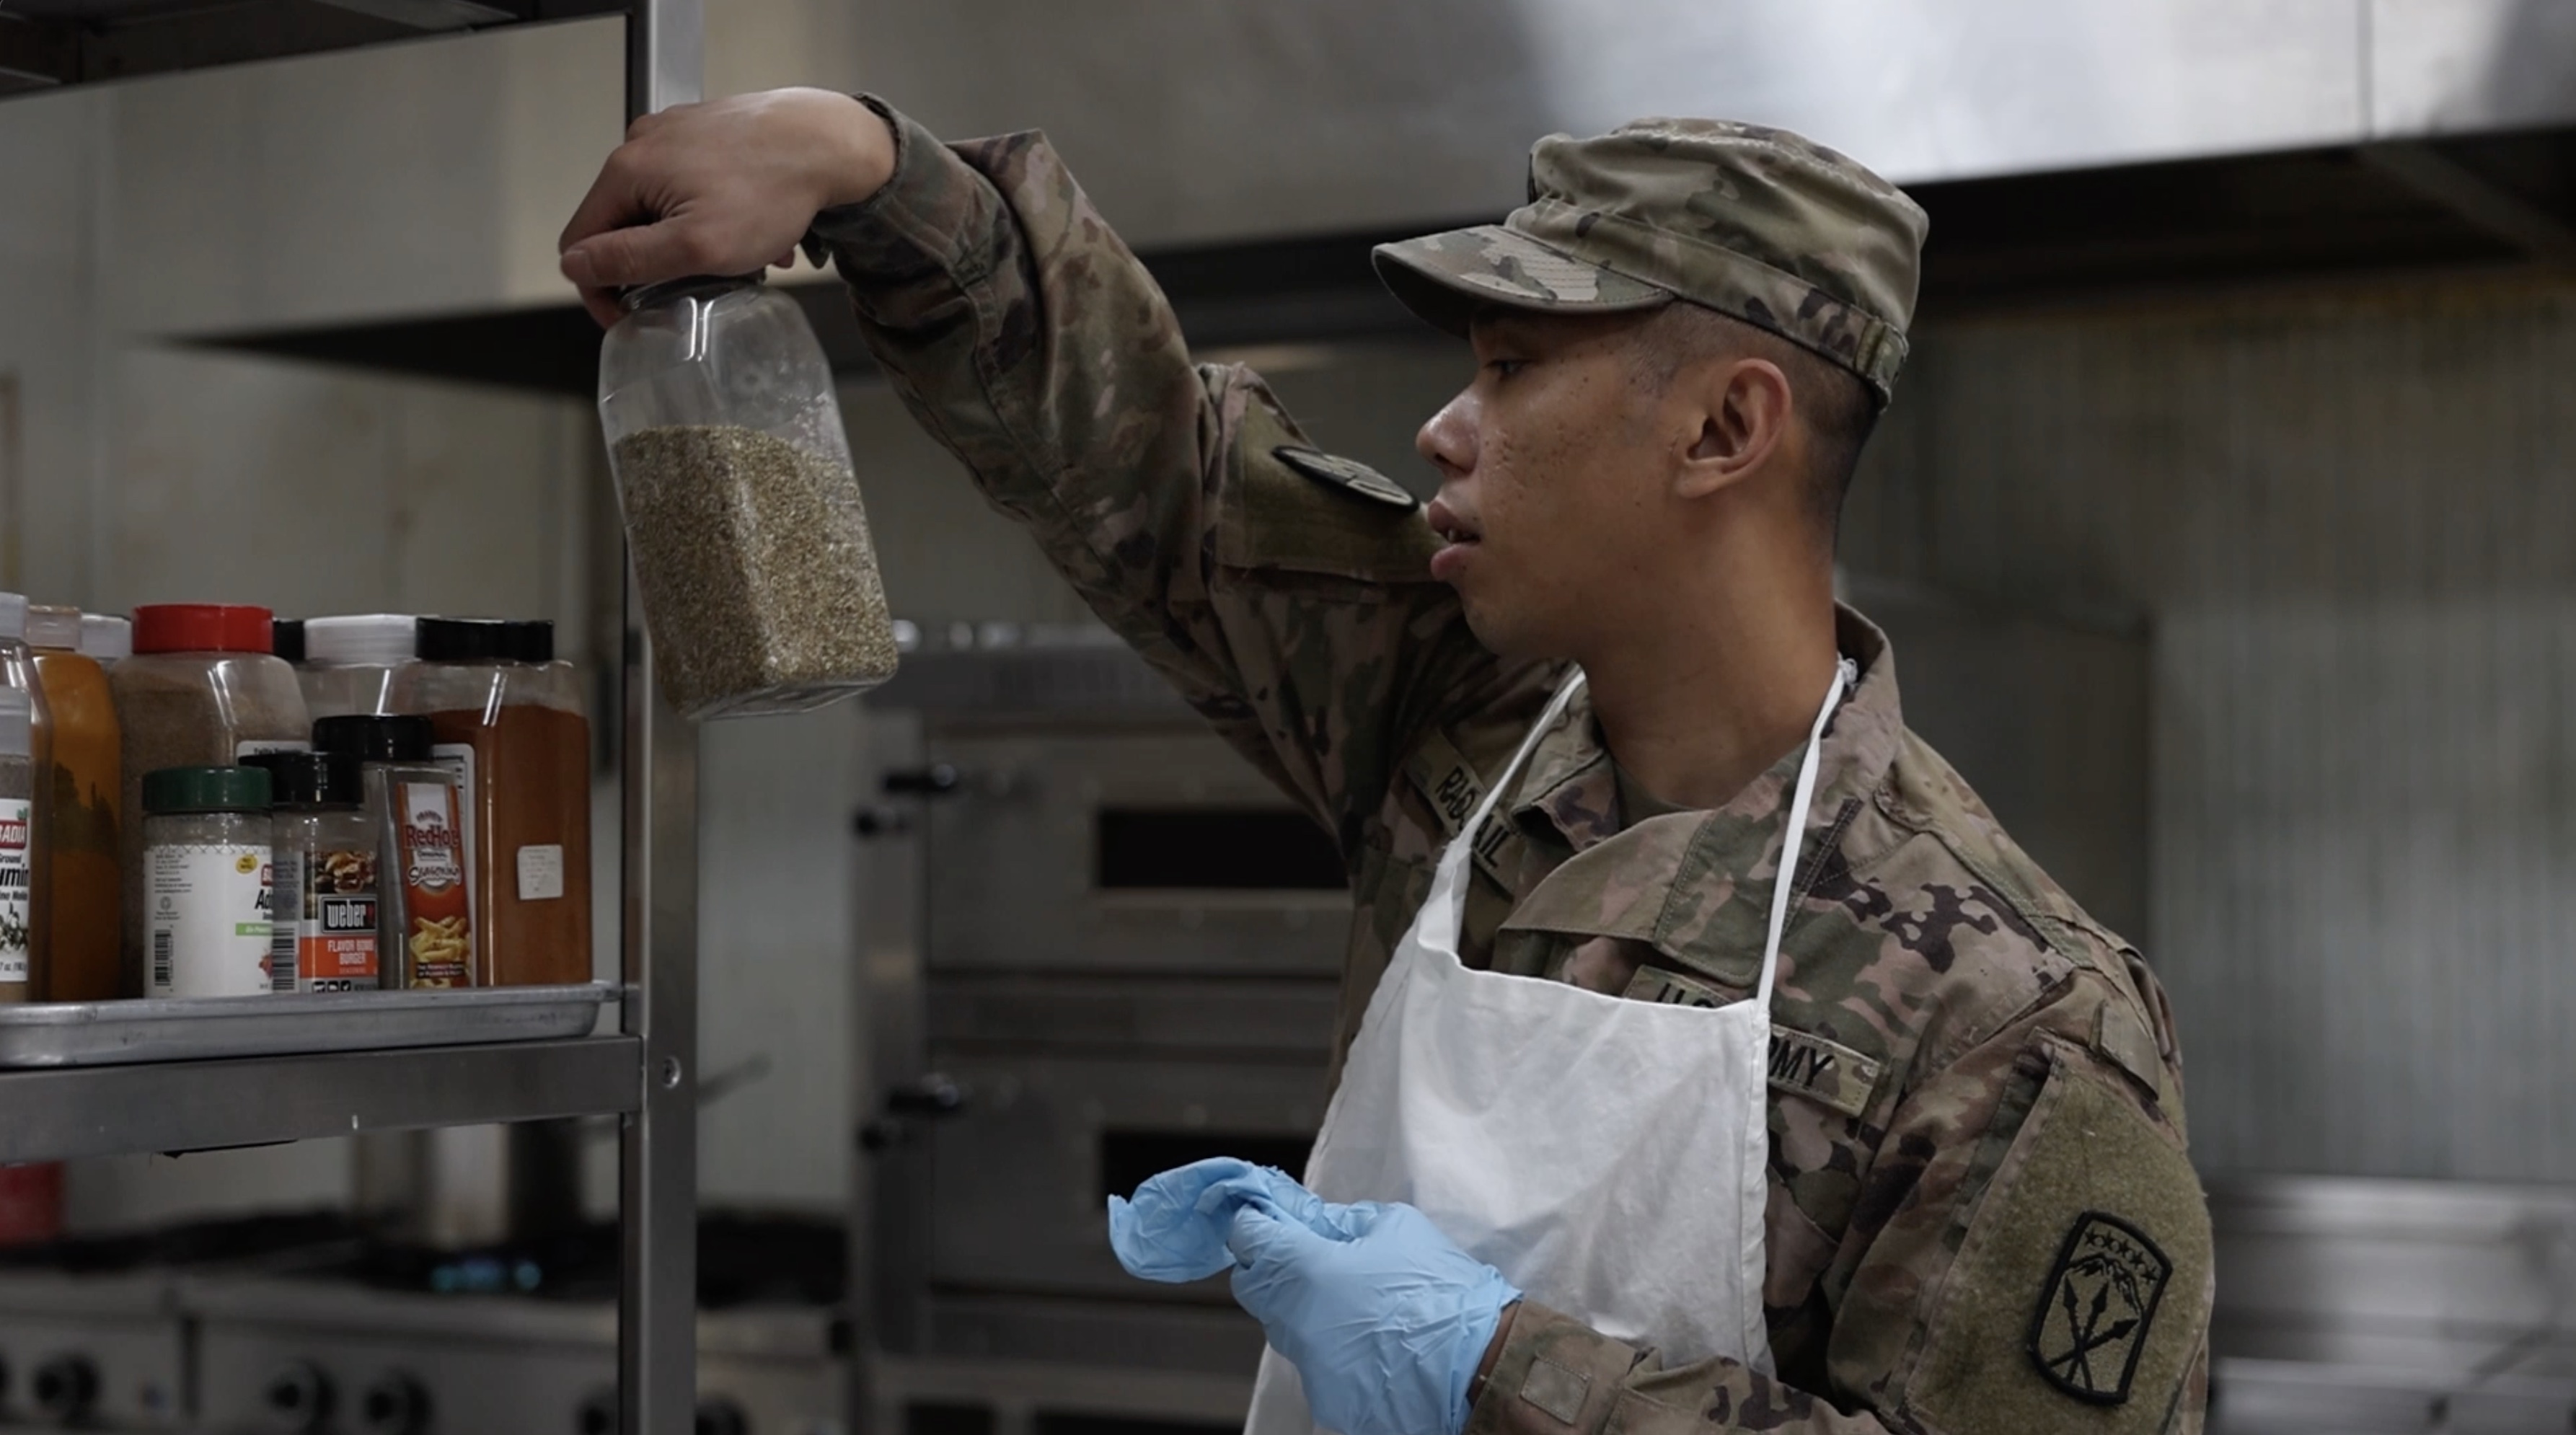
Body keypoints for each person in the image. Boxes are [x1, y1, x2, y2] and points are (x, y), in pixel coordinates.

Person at [561, 87, 2213, 1435]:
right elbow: (1162, 471)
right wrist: (866, 168)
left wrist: (1487, 1363)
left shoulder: (2014, 1009)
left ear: (1724, 428)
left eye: (1508, 367)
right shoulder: (1464, 735)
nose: (1445, 424)